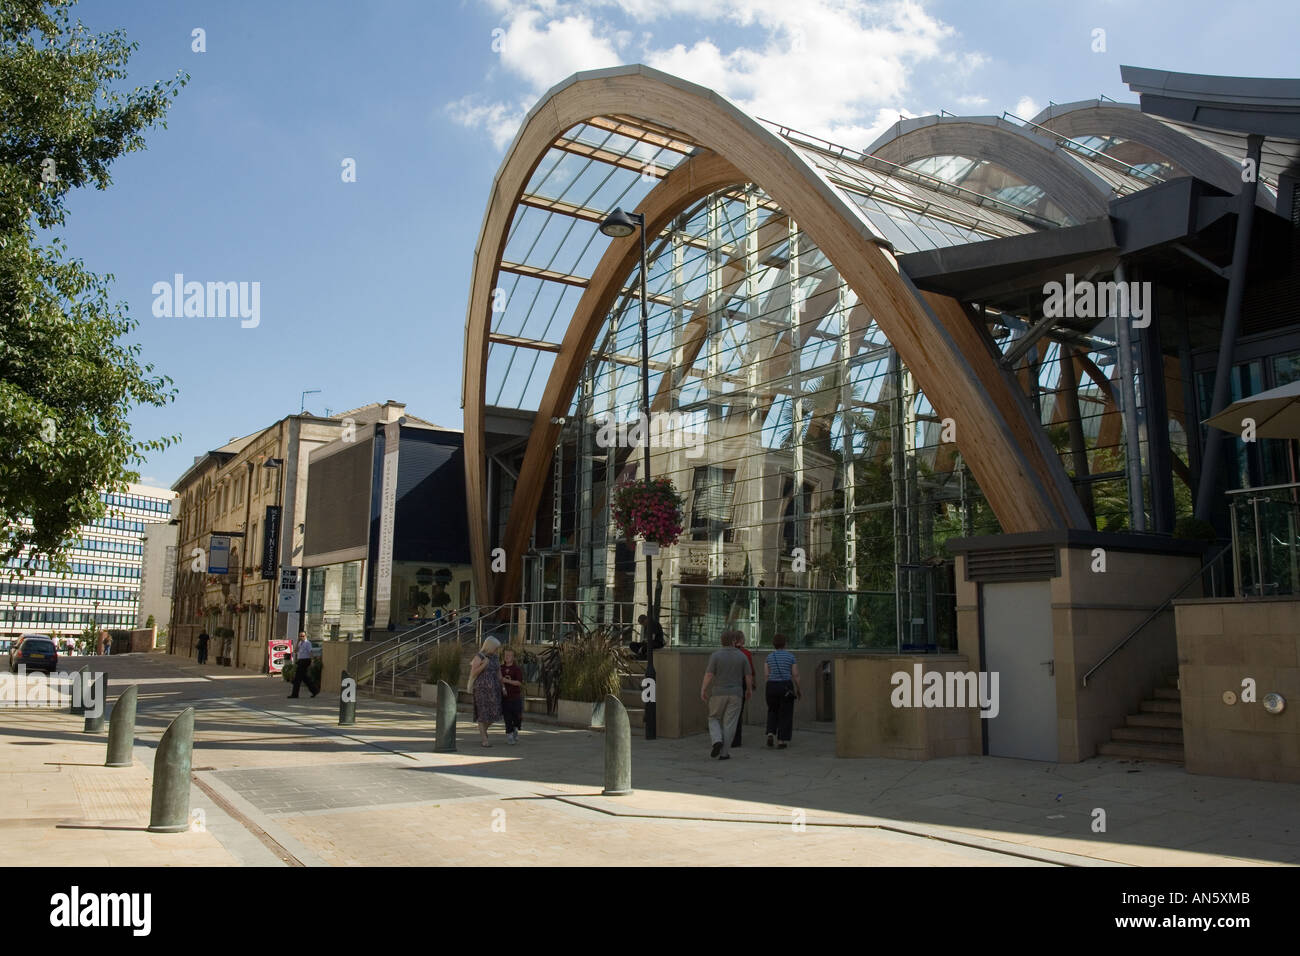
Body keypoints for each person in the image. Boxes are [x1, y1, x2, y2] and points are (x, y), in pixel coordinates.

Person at [699, 629, 752, 760]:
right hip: (736, 693)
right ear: (734, 641)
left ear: (721, 641)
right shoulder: (742, 656)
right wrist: (749, 690)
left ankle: (717, 740)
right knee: (730, 723)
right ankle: (724, 753)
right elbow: (748, 675)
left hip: (718, 692)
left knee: (713, 718)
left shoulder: (716, 655)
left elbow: (709, 674)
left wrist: (703, 689)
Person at [764, 633, 801, 749]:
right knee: (785, 713)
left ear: (773, 644)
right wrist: (798, 689)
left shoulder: (769, 657)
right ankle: (781, 740)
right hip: (785, 686)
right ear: (785, 644)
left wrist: (769, 687)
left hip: (771, 686)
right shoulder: (790, 657)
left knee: (772, 710)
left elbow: (766, 675)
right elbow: (795, 674)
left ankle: (770, 733)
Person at [469, 635, 503, 747]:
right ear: (489, 647)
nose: (496, 650)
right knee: (483, 713)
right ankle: (484, 739)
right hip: (481, 689)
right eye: (495, 648)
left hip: (495, 689)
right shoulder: (479, 657)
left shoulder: (495, 657)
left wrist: (503, 686)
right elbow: (473, 673)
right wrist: (484, 665)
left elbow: (499, 673)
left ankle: (483, 730)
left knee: (495, 713)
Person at [731, 630, 755, 748]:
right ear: (741, 640)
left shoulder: (725, 653)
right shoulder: (746, 653)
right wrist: (750, 686)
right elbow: (749, 672)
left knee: (728, 712)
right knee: (738, 711)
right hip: (741, 683)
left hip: (728, 683)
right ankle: (736, 739)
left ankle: (727, 737)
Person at [500, 646, 524, 744]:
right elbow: (499, 679)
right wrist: (503, 687)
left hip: (516, 697)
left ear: (513, 657)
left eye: (509, 655)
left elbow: (519, 683)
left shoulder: (516, 669)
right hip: (505, 698)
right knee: (507, 717)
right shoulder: (501, 668)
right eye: (506, 655)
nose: (507, 657)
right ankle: (509, 735)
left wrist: (507, 681)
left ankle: (515, 728)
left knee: (517, 717)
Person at [288, 631, 318, 698]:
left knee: (297, 678)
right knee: (304, 678)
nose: (301, 637)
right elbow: (295, 651)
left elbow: (310, 652)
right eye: (300, 636)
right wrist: (298, 642)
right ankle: (314, 690)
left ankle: (295, 694)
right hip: (300, 661)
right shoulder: (300, 643)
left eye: (303, 636)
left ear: (306, 636)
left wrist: (312, 661)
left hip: (305, 661)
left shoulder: (308, 643)